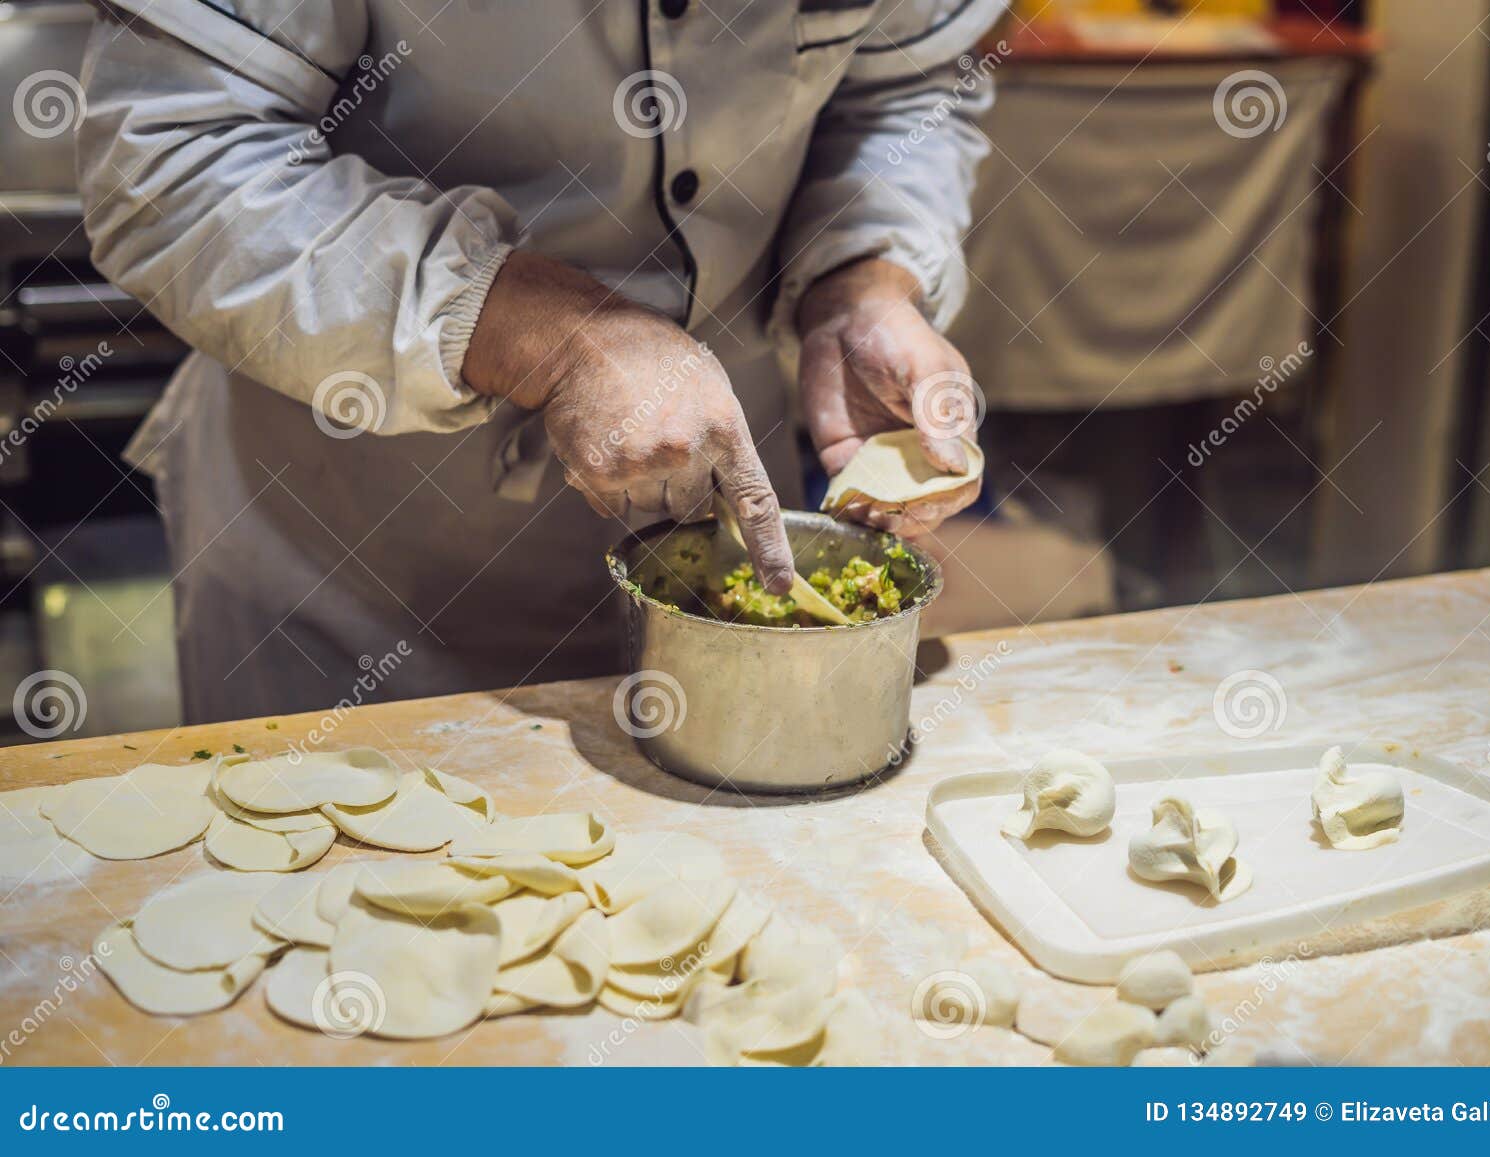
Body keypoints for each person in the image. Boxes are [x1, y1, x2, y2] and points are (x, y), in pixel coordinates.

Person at [76, 0, 999, 723]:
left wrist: (860, 277)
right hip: (352, 547)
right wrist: (549, 333)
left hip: (721, 526)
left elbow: (903, 88)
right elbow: (172, 163)